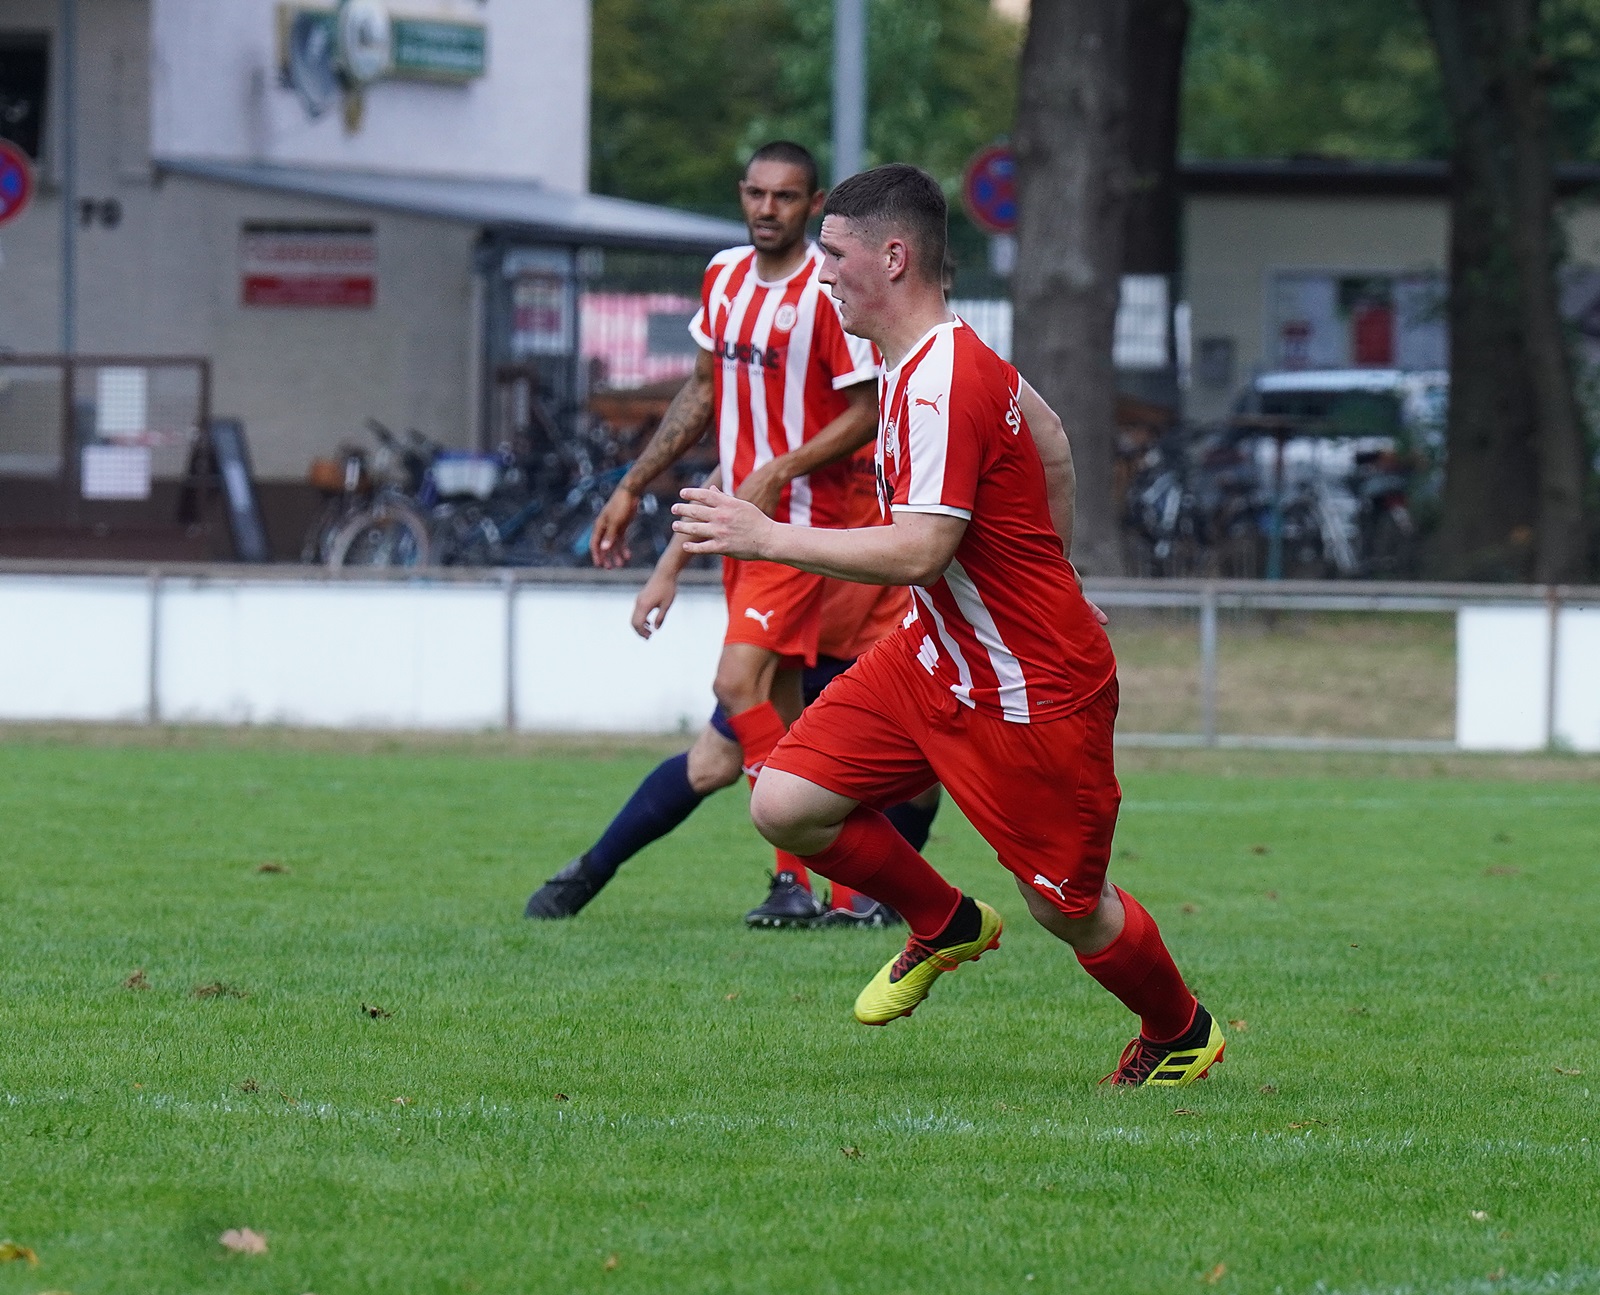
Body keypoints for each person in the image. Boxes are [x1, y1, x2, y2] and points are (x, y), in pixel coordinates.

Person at [670, 163, 1226, 1087]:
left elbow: (923, 551)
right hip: (934, 658)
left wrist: (767, 535)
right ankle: (945, 921)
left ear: (893, 258)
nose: (822, 274)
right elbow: (1053, 442)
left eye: (835, 255)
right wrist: (1058, 570)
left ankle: (1180, 1030)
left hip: (1031, 688)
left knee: (1069, 908)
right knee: (786, 803)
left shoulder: (940, 382)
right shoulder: (933, 359)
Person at [524, 140, 881, 927]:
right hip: (735, 529)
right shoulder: (723, 277)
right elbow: (701, 391)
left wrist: (781, 469)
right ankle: (826, 889)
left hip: (798, 531)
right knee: (775, 715)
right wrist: (633, 488)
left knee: (734, 686)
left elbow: (868, 410)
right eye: (756, 192)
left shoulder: (826, 294)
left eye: (785, 196)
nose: (767, 208)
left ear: (814, 204)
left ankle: (819, 883)